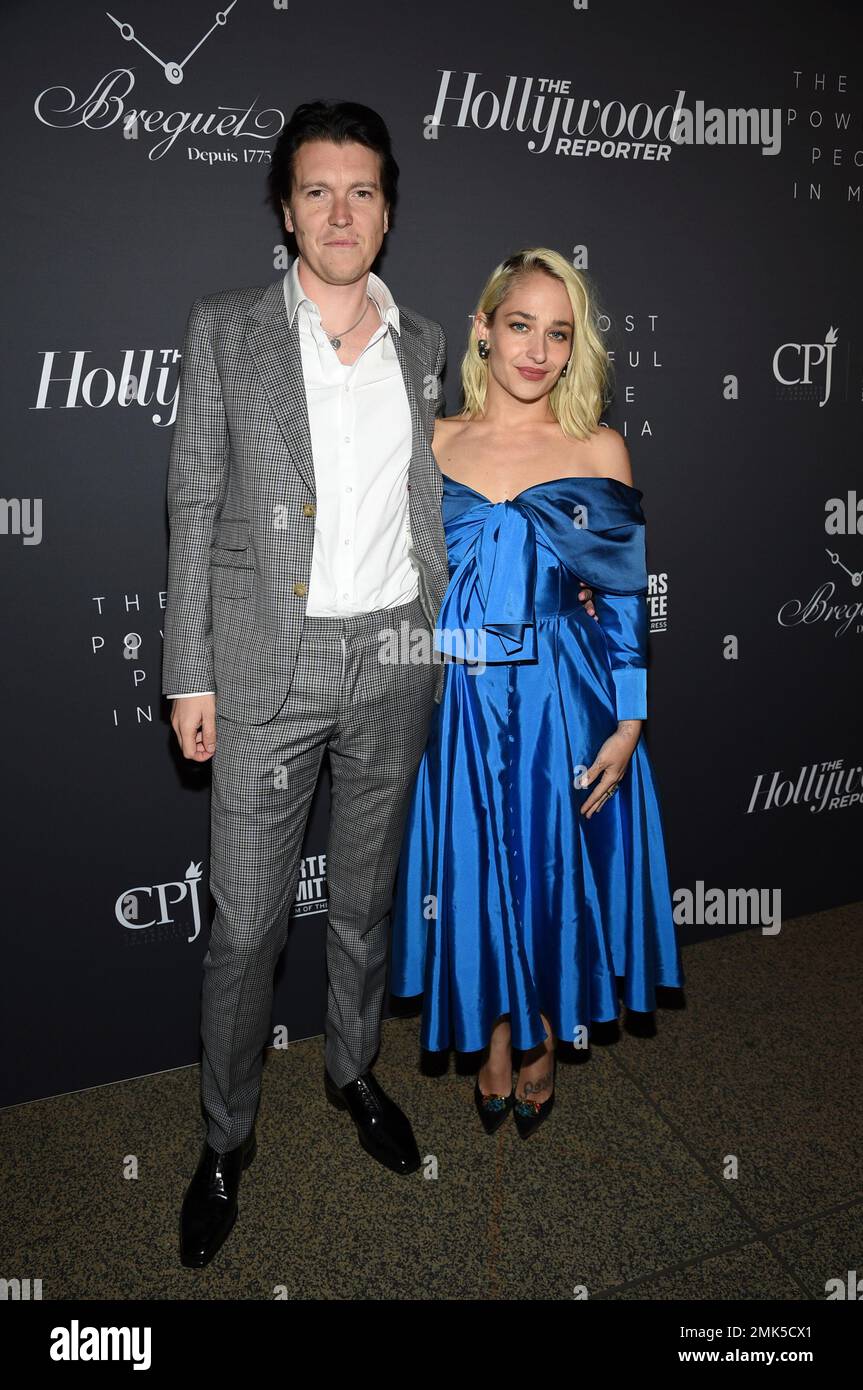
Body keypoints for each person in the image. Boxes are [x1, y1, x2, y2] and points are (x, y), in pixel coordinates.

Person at [162, 100, 456, 1268]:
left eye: (364, 192)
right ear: (285, 210)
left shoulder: (426, 344)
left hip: (393, 655)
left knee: (367, 902)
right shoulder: (225, 328)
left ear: (386, 211)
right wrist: (189, 670)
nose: (342, 212)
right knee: (243, 931)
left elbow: (441, 499)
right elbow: (191, 505)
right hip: (260, 668)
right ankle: (225, 1140)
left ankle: (350, 1071)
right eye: (318, 191)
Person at [390, 248, 684, 1139]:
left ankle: (544, 1032)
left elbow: (627, 600)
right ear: (482, 329)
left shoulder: (597, 447)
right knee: (477, 873)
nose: (537, 350)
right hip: (462, 696)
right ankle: (494, 1030)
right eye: (519, 325)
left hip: (568, 692)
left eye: (558, 333)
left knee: (555, 870)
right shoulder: (431, 442)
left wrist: (630, 718)